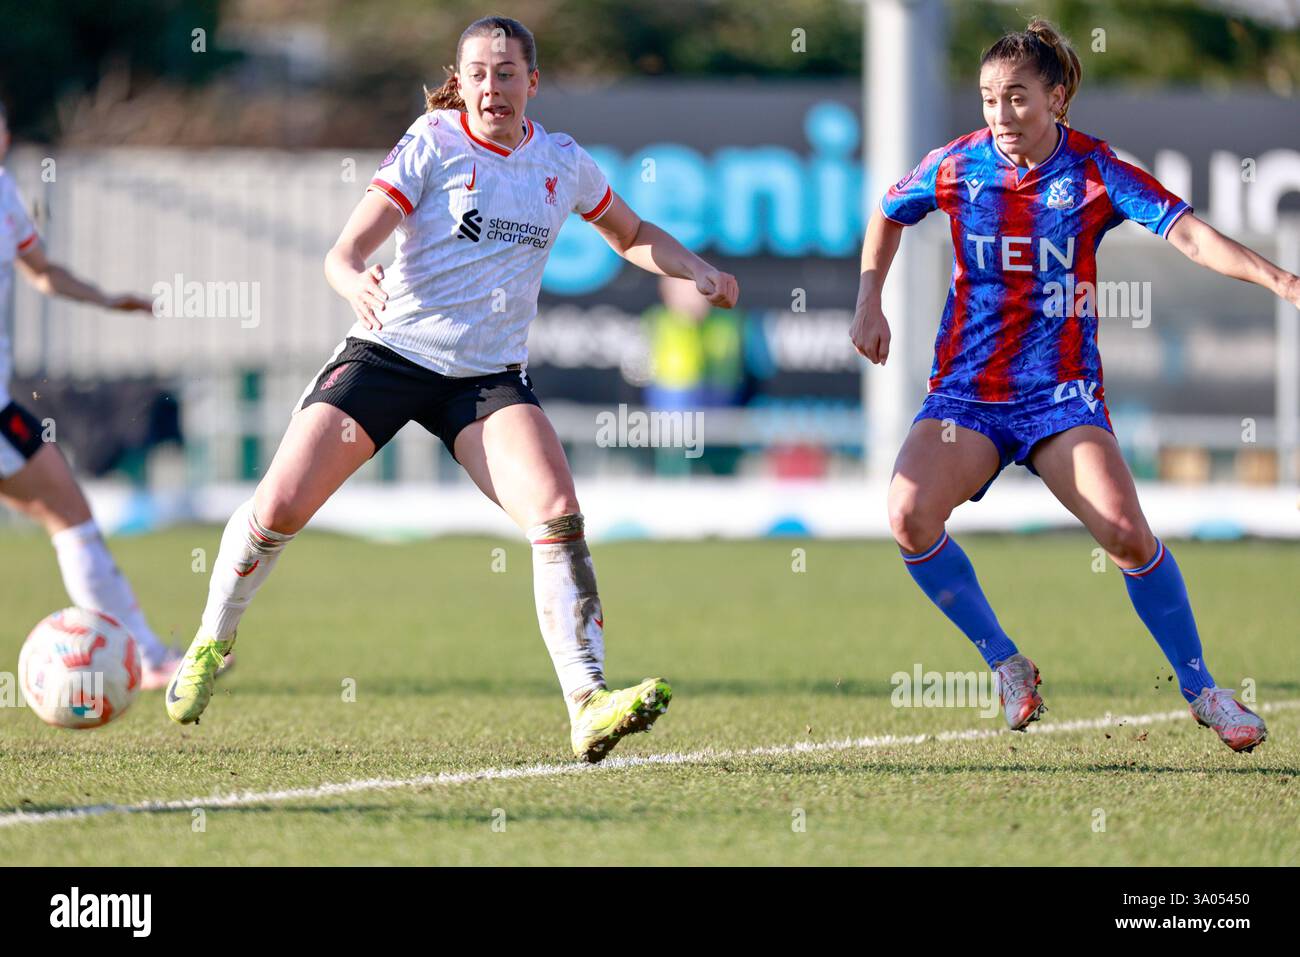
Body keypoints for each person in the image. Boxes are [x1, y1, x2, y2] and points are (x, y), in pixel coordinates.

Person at [165, 16, 740, 762]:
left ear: (533, 82)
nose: (492, 88)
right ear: (460, 80)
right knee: (278, 506)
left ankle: (588, 700)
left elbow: (629, 233)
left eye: (507, 74)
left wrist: (694, 267)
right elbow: (345, 250)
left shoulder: (562, 163)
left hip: (486, 379)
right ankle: (212, 639)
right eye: (479, 73)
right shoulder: (434, 142)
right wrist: (350, 277)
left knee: (557, 510)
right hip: (390, 355)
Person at [849, 19, 1300, 752]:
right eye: (990, 98)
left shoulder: (1095, 172)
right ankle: (1007, 661)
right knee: (908, 514)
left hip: (1060, 397)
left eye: (1018, 98)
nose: (1001, 116)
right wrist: (869, 299)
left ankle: (1203, 690)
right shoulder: (956, 164)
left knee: (1126, 534)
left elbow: (1188, 233)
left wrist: (1281, 280)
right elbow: (887, 213)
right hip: (969, 396)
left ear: (1057, 98)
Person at [0, 102, 188, 690]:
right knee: (71, 518)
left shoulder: (5, 192)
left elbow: (42, 271)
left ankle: (149, 654)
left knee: (70, 515)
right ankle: (150, 655)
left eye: (3, 120)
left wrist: (107, 300)